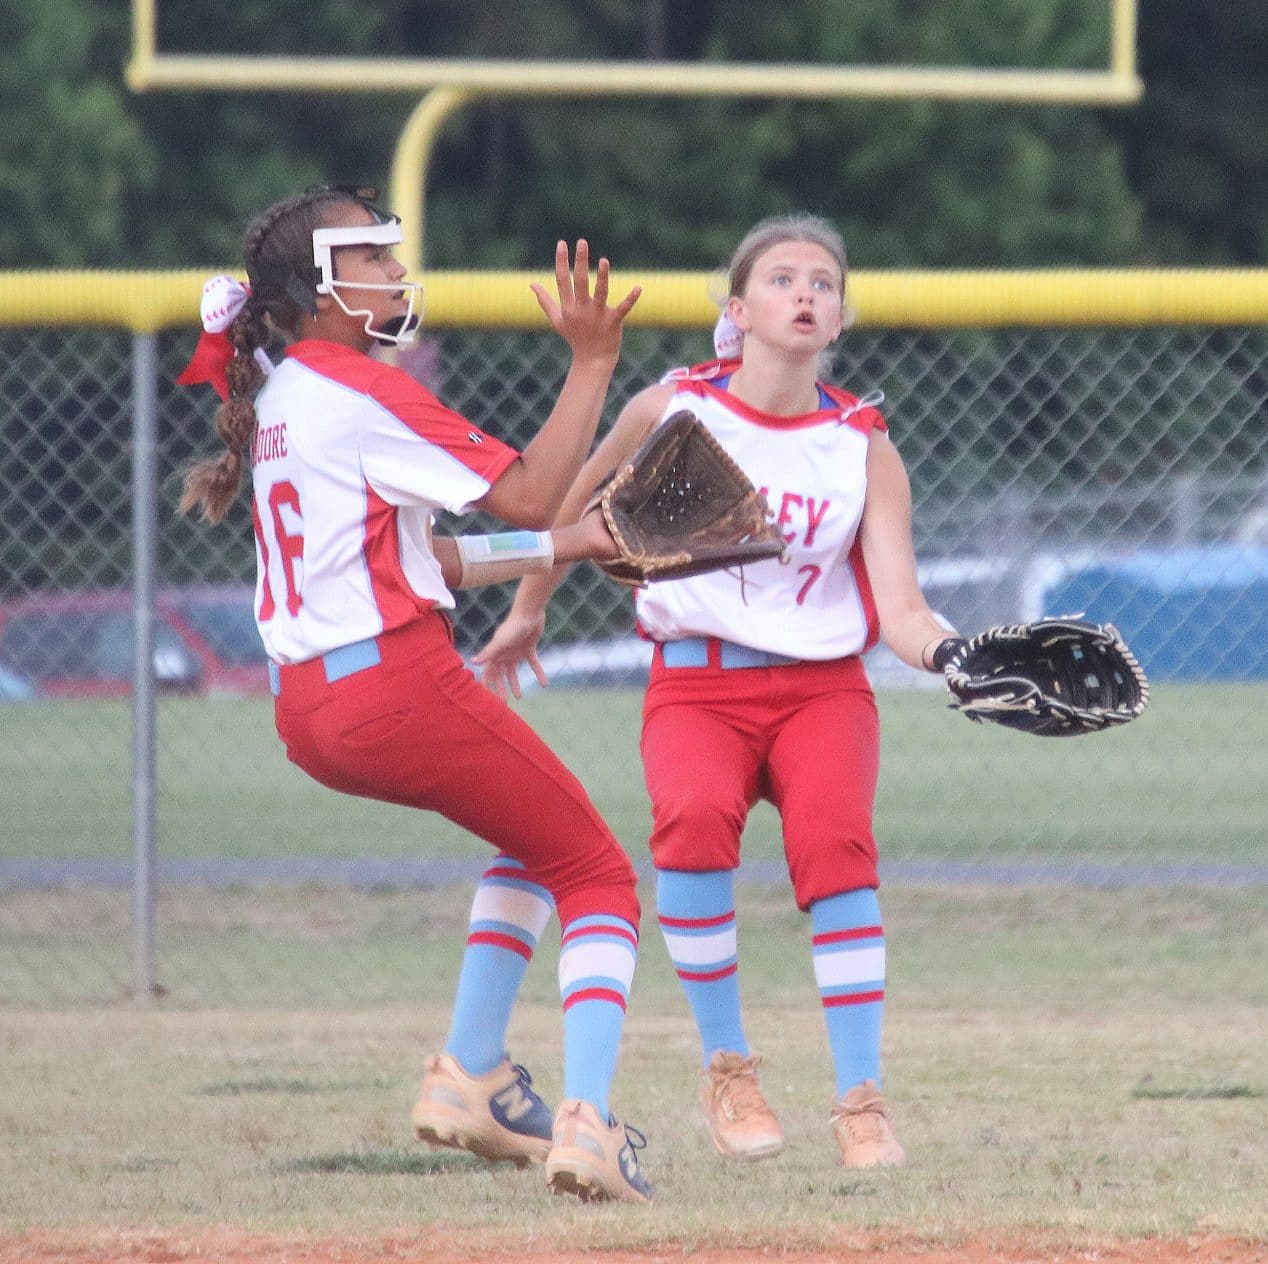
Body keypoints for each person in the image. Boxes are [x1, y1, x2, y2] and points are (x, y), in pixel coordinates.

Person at [177, 185, 655, 1205]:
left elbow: (415, 553)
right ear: (325, 285)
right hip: (392, 683)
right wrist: (593, 361)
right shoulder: (356, 385)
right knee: (600, 870)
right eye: (376, 258)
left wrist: (564, 545)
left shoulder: (288, 394)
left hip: (310, 707)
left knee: (533, 841)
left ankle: (471, 1073)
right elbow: (526, 485)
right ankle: (589, 1123)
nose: (397, 273)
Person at [477, 212, 962, 1170]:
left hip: (825, 689)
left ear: (841, 316)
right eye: (782, 278)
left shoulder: (862, 446)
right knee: (693, 824)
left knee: (837, 850)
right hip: (699, 682)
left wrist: (954, 655)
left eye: (824, 281)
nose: (806, 293)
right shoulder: (676, 408)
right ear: (738, 309)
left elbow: (901, 607)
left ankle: (861, 1099)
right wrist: (529, 606)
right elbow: (576, 506)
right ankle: (728, 1068)